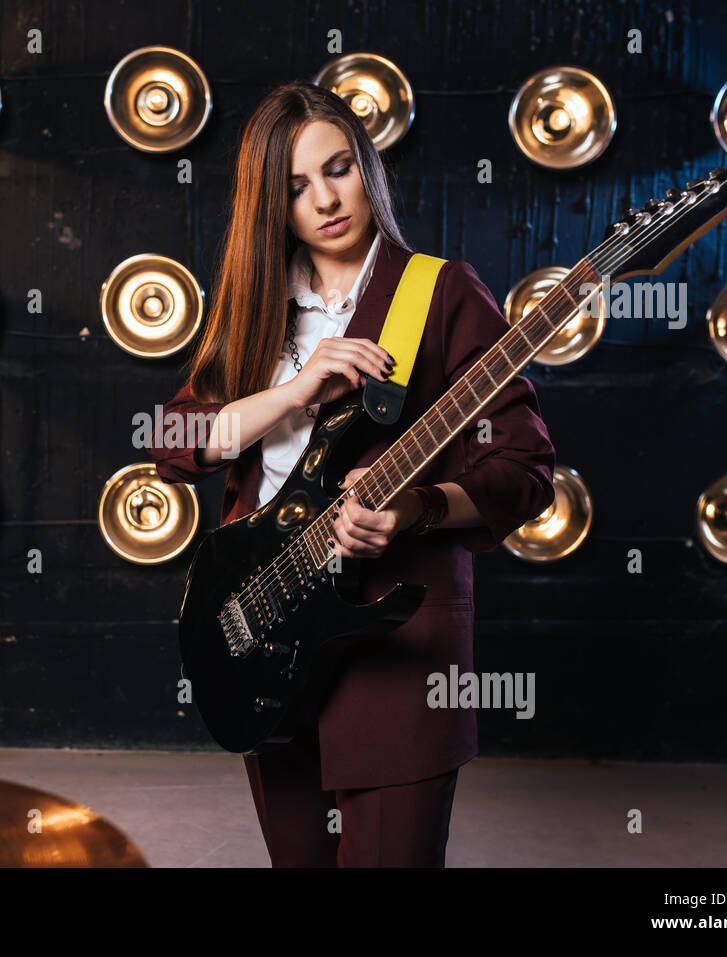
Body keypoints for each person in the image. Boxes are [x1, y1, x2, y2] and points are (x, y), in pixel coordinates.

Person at [147, 82, 556, 867]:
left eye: (339, 168)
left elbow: (525, 467)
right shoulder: (255, 307)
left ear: (368, 167)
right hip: (261, 631)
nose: (326, 200)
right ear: (270, 203)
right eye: (296, 186)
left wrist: (419, 511)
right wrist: (293, 392)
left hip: (395, 646)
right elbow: (172, 439)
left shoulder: (441, 292)